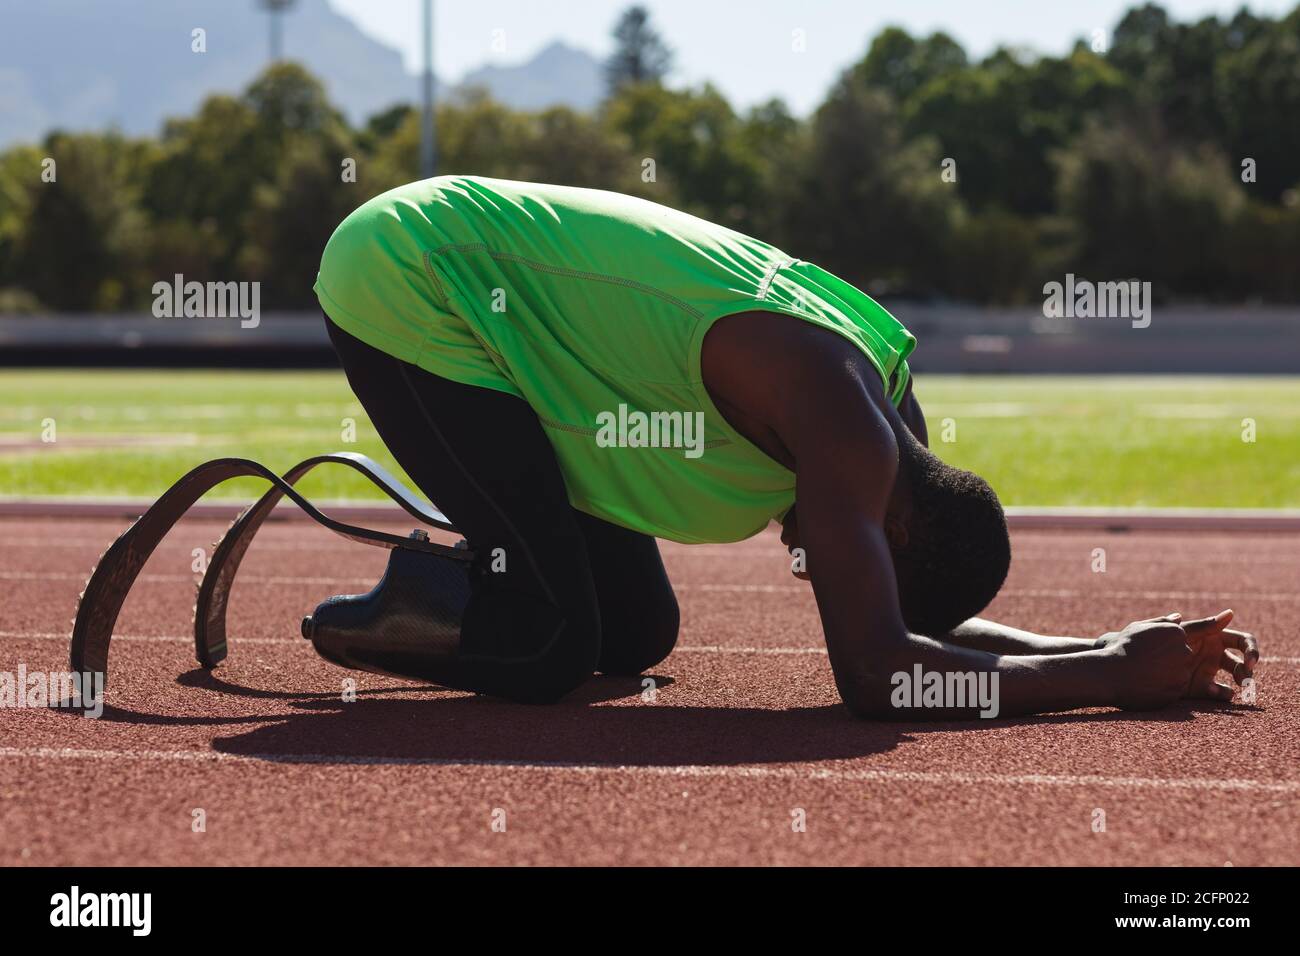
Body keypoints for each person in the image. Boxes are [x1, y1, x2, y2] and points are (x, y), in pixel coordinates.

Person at [311, 175, 1257, 718]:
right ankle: (386, 607)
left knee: (636, 638)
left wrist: (1114, 642)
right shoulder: (842, 426)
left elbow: (907, 629)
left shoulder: (891, 433)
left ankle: (499, 571)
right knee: (557, 648)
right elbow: (883, 676)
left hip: (499, 321)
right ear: (889, 533)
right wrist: (1112, 679)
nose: (817, 578)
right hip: (412, 279)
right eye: (842, 571)